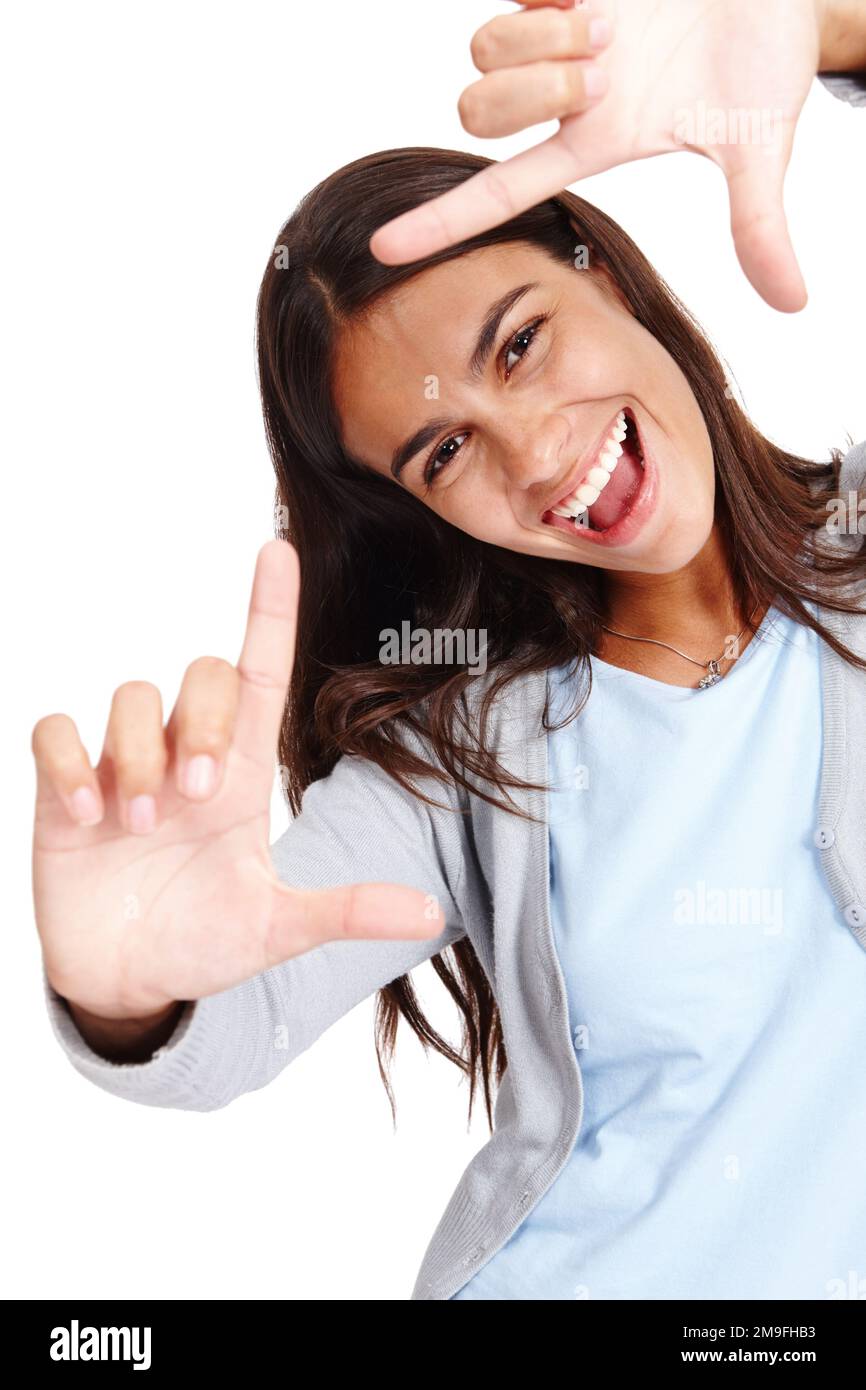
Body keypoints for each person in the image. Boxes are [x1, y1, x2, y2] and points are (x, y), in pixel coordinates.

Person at [31, 7, 866, 1300]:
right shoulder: (466, 754)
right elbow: (237, 1006)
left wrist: (828, 31)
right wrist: (131, 997)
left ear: (594, 261)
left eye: (519, 344)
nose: (535, 457)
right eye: (444, 450)